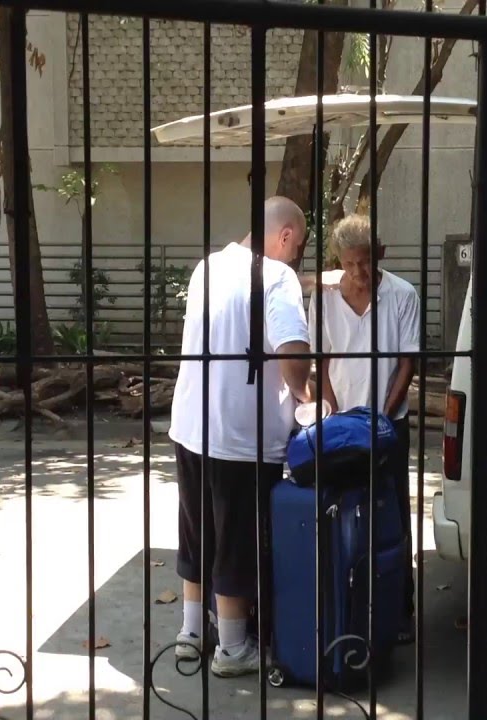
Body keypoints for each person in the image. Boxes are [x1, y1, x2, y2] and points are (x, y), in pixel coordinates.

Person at [167, 196, 314, 677]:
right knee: (237, 538)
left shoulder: (206, 267)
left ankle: (192, 632)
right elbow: (292, 348)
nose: (296, 260)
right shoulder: (277, 277)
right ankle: (232, 648)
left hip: (191, 424)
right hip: (242, 434)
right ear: (286, 236)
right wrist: (304, 393)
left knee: (198, 529)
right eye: (298, 249)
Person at [307, 213, 421, 643]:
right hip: (340, 426)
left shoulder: (401, 294)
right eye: (350, 264)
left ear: (381, 255)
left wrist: (379, 418)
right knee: (339, 513)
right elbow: (320, 360)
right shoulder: (325, 298)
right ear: (339, 259)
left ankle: (400, 609)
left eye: (367, 262)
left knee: (392, 514)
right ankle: (342, 609)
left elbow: (407, 362)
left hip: (388, 423)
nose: (359, 273)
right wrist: (336, 415)